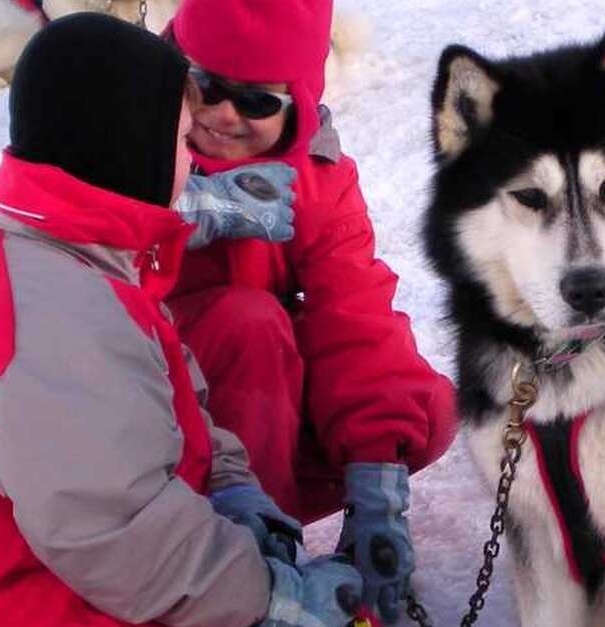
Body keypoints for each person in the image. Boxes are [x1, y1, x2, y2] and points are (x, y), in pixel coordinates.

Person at [0, 13, 364, 627]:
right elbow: (112, 533)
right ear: (126, 147)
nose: (197, 156)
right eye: (182, 140)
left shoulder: (81, 259)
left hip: (89, 578)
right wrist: (267, 598)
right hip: (49, 599)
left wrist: (236, 494)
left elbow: (178, 404)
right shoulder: (56, 311)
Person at [163, 0, 458, 622]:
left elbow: (355, 320)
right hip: (139, 420)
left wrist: (377, 486)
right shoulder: (118, 135)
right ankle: (252, 569)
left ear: (296, 103)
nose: (221, 114)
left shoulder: (320, 181)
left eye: (256, 102)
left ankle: (339, 555)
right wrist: (178, 211)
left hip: (245, 416)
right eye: (203, 86)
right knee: (250, 324)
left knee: (416, 409)